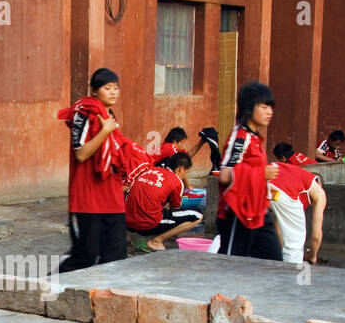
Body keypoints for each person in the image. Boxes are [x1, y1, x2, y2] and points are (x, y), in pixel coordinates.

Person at [58, 68, 134, 272]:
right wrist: (105, 131)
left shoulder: (109, 116)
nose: (113, 92)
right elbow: (81, 154)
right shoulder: (84, 114)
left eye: (116, 88)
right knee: (85, 257)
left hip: (112, 198)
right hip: (88, 199)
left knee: (116, 255)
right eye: (107, 88)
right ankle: (47, 288)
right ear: (94, 91)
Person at [215, 82, 283, 260]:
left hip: (258, 211)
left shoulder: (254, 137)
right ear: (249, 108)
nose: (270, 112)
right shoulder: (240, 137)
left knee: (274, 259)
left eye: (271, 107)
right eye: (264, 106)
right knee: (231, 264)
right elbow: (224, 175)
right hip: (237, 213)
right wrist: (261, 174)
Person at [126, 153, 203, 250]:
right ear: (181, 168)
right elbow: (175, 209)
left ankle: (132, 235)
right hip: (146, 224)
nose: (184, 176)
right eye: (186, 172)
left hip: (127, 221)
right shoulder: (176, 181)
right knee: (197, 215)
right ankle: (157, 241)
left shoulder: (150, 170)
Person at [269, 162, 327, 264]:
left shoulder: (297, 179)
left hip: (264, 176)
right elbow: (316, 235)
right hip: (278, 187)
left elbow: (278, 227)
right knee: (295, 241)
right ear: (319, 184)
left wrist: (283, 250)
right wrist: (313, 256)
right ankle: (291, 272)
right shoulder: (320, 193)